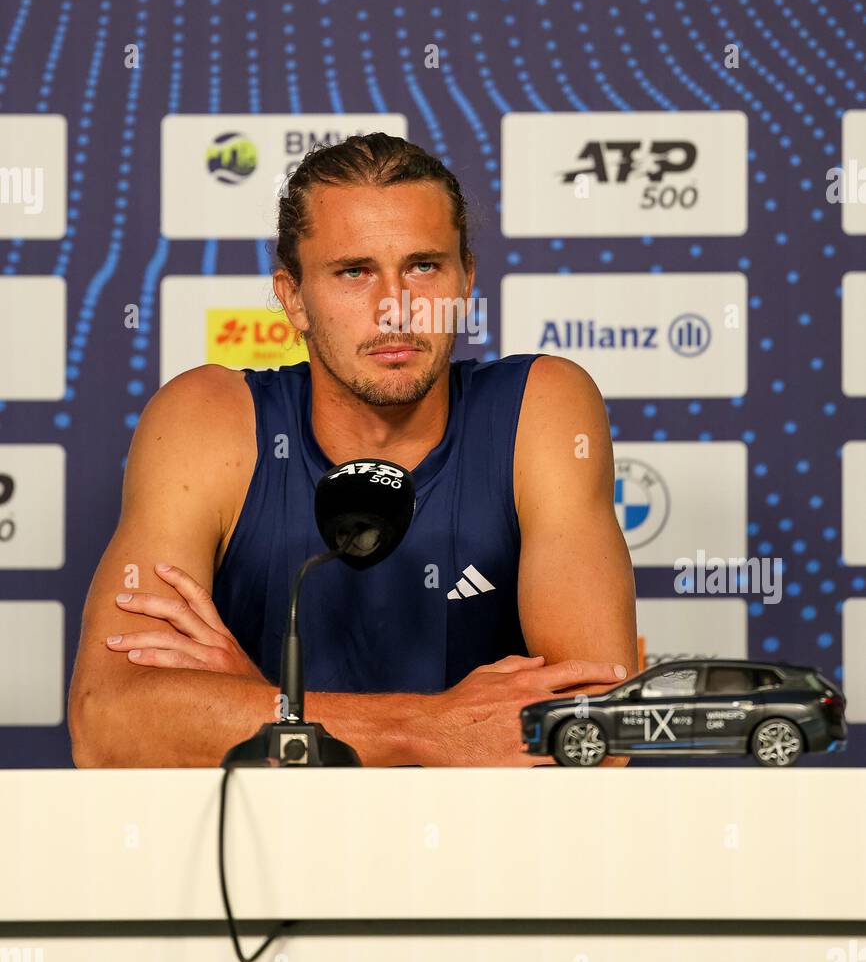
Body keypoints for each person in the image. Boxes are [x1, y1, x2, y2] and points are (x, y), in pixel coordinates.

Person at [68, 134, 637, 767]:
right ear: (293, 297)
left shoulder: (542, 406)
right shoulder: (209, 419)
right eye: (353, 272)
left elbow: (594, 728)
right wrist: (428, 729)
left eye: (423, 266)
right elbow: (108, 724)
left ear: (466, 280)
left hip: (485, 852)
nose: (395, 308)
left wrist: (259, 705)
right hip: (260, 851)